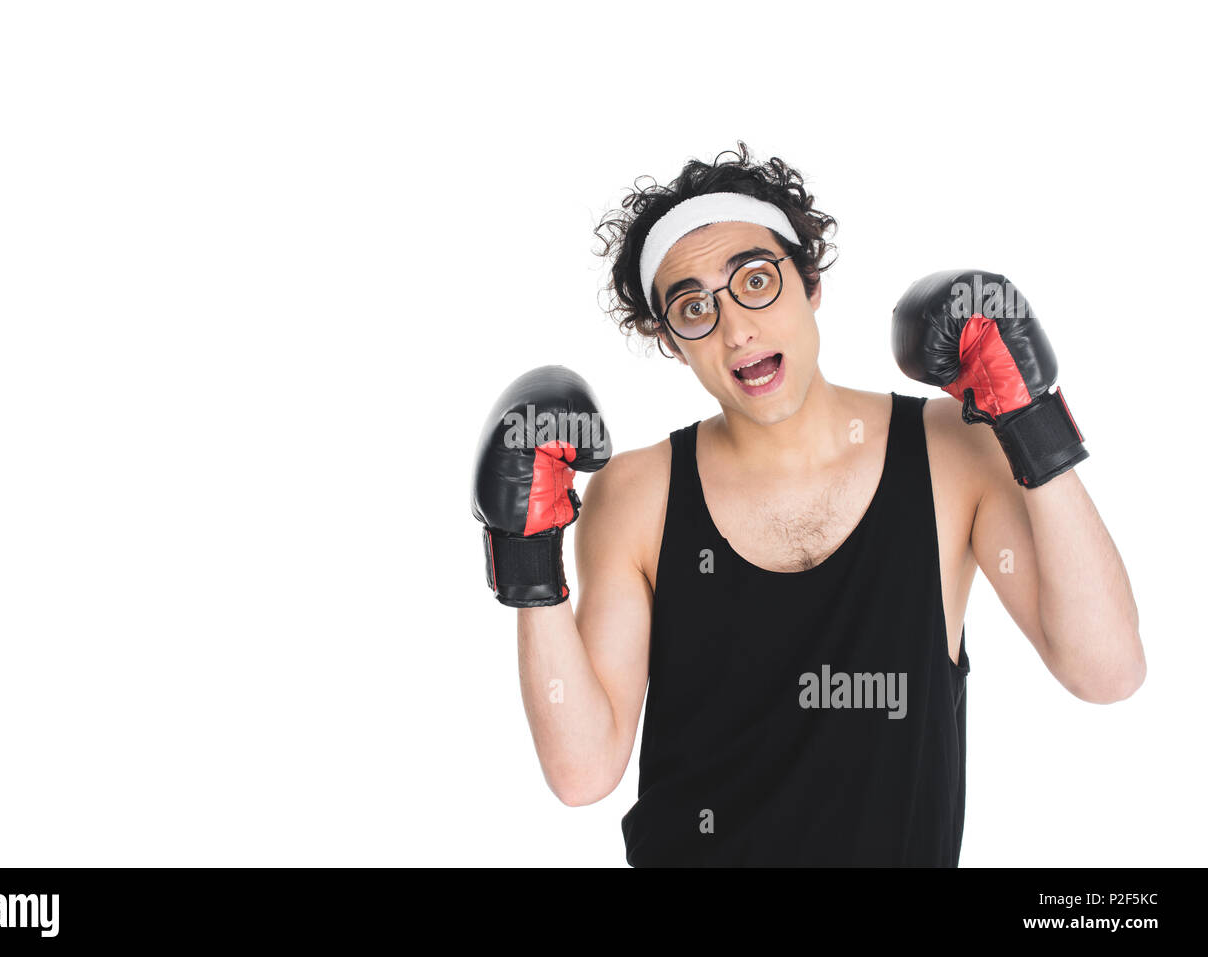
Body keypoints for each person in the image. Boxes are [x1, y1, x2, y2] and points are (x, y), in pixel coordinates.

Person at [471, 142, 1145, 866]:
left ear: (810, 281)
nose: (737, 328)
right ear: (672, 342)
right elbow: (582, 772)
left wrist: (1029, 420)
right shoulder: (636, 493)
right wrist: (527, 553)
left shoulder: (951, 450)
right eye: (694, 307)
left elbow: (1107, 671)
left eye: (756, 281)